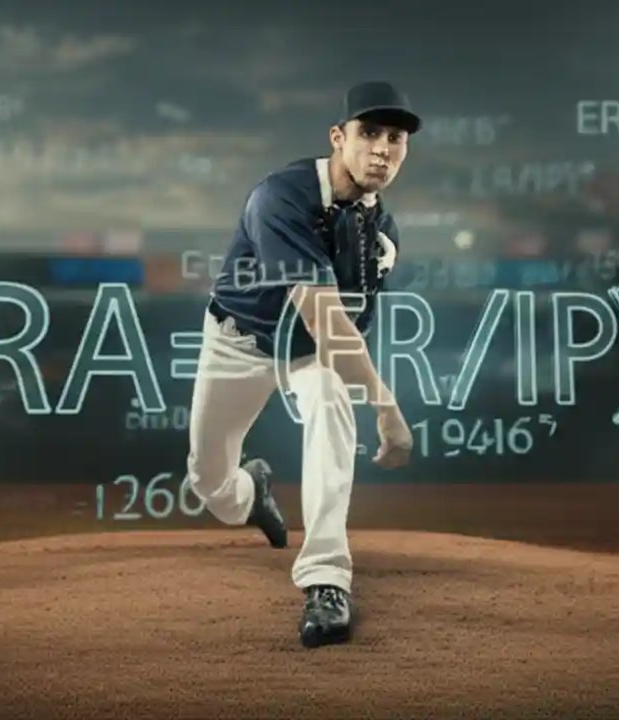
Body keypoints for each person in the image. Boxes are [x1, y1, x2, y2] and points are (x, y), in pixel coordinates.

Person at [183, 81, 418, 648]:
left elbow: (347, 329)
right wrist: (387, 408)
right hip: (239, 342)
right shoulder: (280, 196)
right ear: (339, 138)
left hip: (310, 355)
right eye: (369, 133)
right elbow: (324, 319)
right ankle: (250, 492)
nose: (383, 149)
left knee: (333, 403)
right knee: (209, 480)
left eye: (396, 137)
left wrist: (354, 384)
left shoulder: (381, 233)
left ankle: (326, 578)